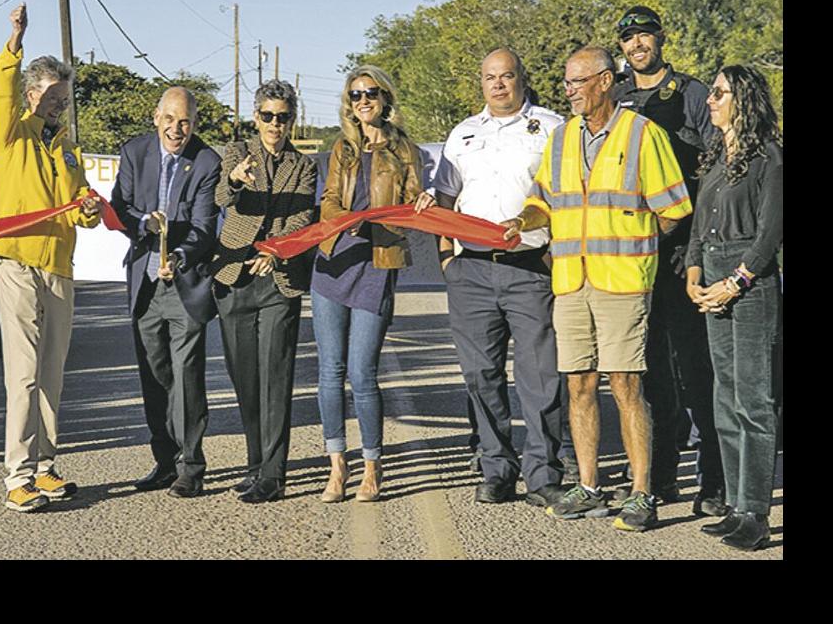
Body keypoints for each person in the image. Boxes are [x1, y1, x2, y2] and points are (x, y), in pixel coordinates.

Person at [516, 45, 692, 532]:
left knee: (626, 385)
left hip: (622, 283)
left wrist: (634, 244)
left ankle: (641, 493)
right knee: (579, 385)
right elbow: (542, 202)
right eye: (567, 82)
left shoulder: (643, 135)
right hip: (571, 281)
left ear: (605, 82)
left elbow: (673, 210)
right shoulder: (560, 138)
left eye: (577, 82)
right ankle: (589, 486)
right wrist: (522, 220)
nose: (568, 91)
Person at [433, 48, 567, 507]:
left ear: (521, 79)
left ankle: (544, 472)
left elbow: (565, 197)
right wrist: (447, 261)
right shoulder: (463, 133)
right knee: (480, 376)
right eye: (490, 77)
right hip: (470, 271)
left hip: (530, 270)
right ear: (481, 82)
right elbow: (444, 201)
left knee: (540, 377)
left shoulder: (551, 128)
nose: (498, 85)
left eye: (506, 76)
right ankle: (496, 467)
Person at [610, 6, 726, 515]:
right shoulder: (616, 98)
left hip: (686, 250)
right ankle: (659, 478)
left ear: (660, 37)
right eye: (629, 38)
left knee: (697, 370)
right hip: (636, 252)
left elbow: (720, 164)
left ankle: (714, 480)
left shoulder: (693, 94)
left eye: (644, 35)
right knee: (650, 369)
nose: (638, 44)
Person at [0, 3, 101, 513]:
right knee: (25, 371)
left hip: (59, 264)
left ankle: (46, 467)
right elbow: (0, 91)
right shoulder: (12, 133)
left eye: (63, 97)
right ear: (31, 95)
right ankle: (17, 475)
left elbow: (79, 210)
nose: (58, 105)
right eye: (51, 96)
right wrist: (15, 43)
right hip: (16, 260)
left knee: (53, 371)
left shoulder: (68, 148)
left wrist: (92, 209)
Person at [312, 65, 433, 503]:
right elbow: (328, 199)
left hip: (377, 264)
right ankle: (337, 467)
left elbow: (415, 204)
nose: (363, 101)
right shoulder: (342, 147)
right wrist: (338, 223)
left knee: (362, 373)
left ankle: (372, 468)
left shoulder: (406, 151)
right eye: (356, 95)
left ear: (385, 99)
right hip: (333, 263)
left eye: (371, 93)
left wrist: (423, 201)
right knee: (330, 373)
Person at [686, 65, 782, 551]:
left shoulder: (769, 158)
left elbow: (769, 236)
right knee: (725, 399)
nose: (710, 100)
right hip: (714, 279)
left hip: (752, 283)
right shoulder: (715, 160)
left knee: (755, 400)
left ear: (742, 100)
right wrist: (693, 274)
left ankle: (756, 514)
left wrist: (735, 281)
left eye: (719, 93)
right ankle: (735, 504)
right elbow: (699, 227)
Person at [111, 86, 221, 498]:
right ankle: (164, 460)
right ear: (156, 118)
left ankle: (192, 465)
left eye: (186, 121)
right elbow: (118, 208)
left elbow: (204, 226)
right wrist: (143, 225)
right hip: (144, 283)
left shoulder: (207, 161)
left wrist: (177, 254)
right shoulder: (134, 152)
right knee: (155, 376)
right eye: (171, 120)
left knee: (187, 376)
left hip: (183, 282)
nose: (178, 129)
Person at [212, 79, 317, 504]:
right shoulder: (236, 153)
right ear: (256, 117)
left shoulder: (304, 164)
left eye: (283, 117)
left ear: (293, 119)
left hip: (278, 279)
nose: (275, 124)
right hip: (234, 276)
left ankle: (274, 475)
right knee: (245, 380)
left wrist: (275, 252)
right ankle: (255, 466)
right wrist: (236, 179)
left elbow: (305, 215)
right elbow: (221, 196)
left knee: (275, 379)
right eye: (268, 116)